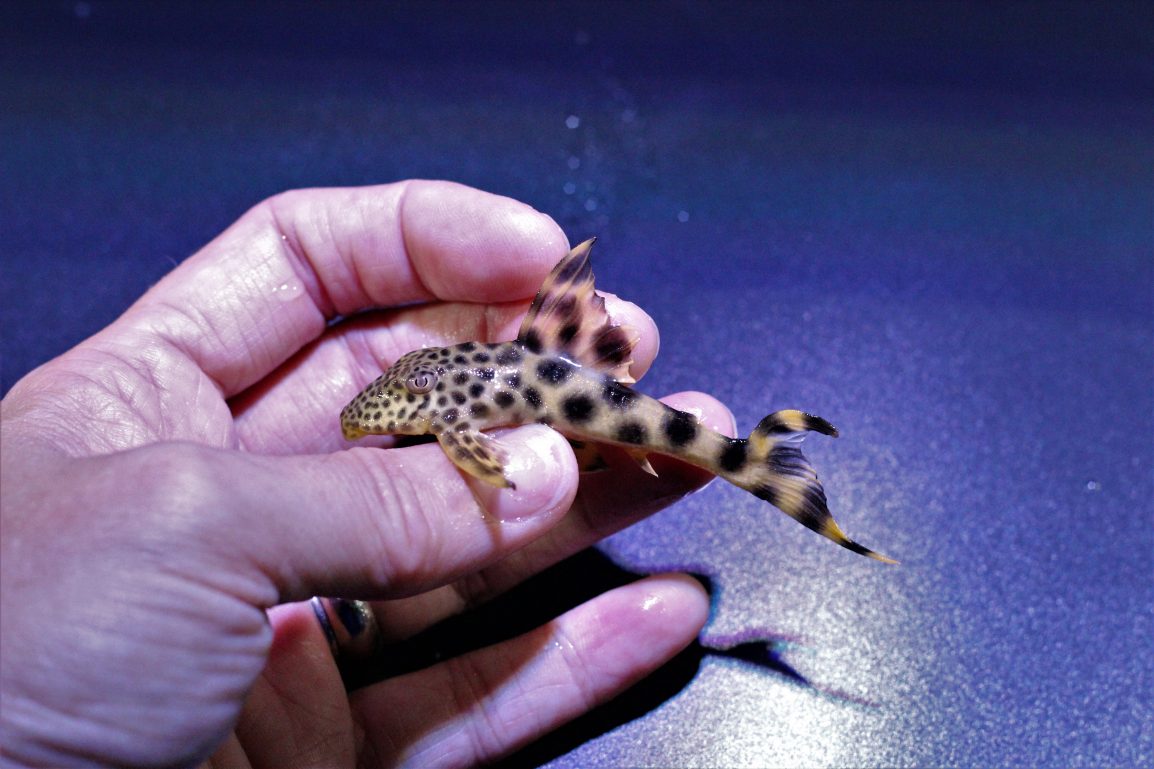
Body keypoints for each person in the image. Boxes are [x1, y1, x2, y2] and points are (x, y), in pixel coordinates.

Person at [0, 181, 735, 767]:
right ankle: (746, 458)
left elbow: (458, 444)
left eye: (388, 406)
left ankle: (746, 458)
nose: (369, 416)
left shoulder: (447, 402)